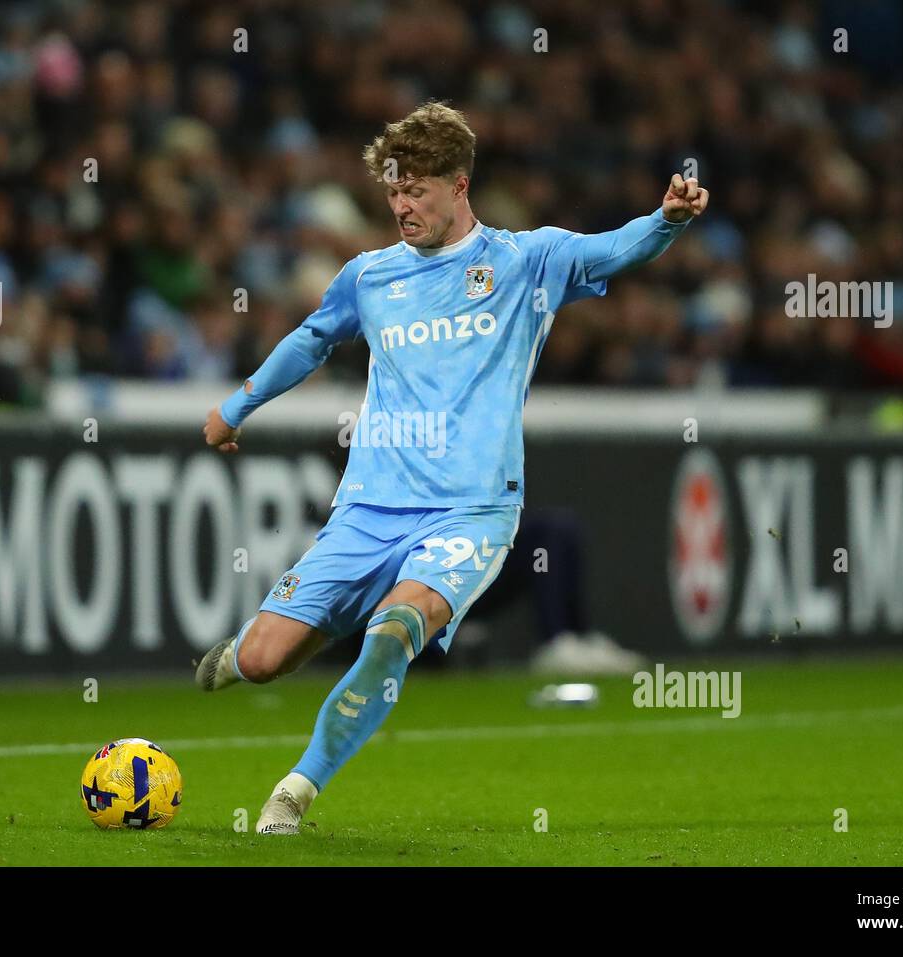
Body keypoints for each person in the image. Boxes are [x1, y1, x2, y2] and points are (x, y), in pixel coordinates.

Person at [197, 101, 708, 834]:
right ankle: (252, 653)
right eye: (393, 192)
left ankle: (295, 792)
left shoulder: (526, 261)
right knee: (267, 658)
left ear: (459, 186)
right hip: (369, 508)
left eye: (418, 192)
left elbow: (612, 250)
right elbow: (312, 339)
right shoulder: (370, 277)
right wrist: (236, 407)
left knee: (394, 627)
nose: (402, 206)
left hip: (470, 511)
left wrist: (667, 219)